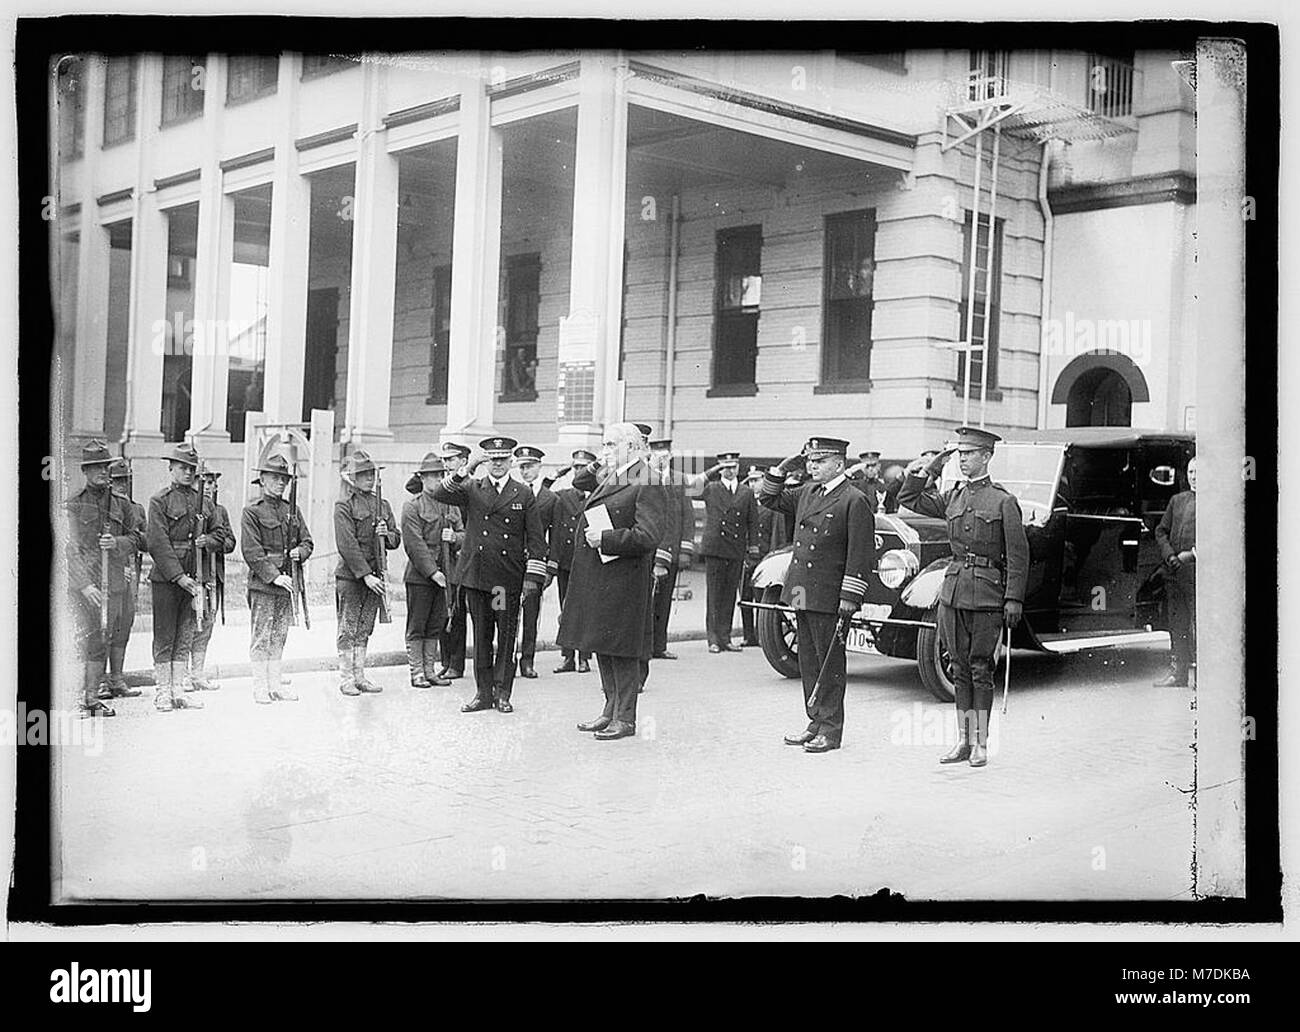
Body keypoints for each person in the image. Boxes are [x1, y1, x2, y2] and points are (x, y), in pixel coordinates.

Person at [897, 427, 1029, 767]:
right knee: (959, 668)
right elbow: (909, 499)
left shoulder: (1003, 501)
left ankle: (981, 743)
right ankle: (962, 742)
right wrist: (929, 468)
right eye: (960, 454)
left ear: (986, 456)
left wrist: (1013, 599)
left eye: (968, 454)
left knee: (980, 667)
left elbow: (1018, 555)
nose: (963, 460)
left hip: (986, 594)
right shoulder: (952, 497)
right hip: (953, 590)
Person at [757, 437, 876, 753]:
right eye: (809, 461)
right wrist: (783, 467)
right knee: (808, 658)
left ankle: (831, 729)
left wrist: (850, 596)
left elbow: (860, 552)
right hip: (800, 587)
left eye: (819, 461)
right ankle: (814, 722)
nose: (812, 466)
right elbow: (767, 498)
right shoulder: (807, 492)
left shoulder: (854, 499)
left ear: (839, 464)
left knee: (829, 661)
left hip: (829, 591)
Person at [559, 422, 667, 740]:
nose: (604, 452)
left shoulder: (648, 480)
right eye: (605, 445)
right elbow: (581, 480)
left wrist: (606, 539)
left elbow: (648, 535)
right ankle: (610, 709)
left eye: (610, 445)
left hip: (624, 581)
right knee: (603, 645)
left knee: (623, 650)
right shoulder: (614, 475)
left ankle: (626, 717)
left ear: (632, 448)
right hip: (602, 579)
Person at [432, 436, 547, 713]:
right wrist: (467, 467)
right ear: (486, 461)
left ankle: (503, 692)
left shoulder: (522, 493)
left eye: (502, 459)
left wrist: (532, 579)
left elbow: (535, 539)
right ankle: (483, 693)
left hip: (503, 583)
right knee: (481, 636)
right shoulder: (472, 487)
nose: (497, 464)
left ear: (510, 462)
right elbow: (441, 493)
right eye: (492, 459)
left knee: (505, 636)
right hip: (477, 578)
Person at [66, 440, 142, 717]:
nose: (102, 472)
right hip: (83, 585)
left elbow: (137, 538)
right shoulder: (74, 504)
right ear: (86, 471)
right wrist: (84, 585)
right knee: (80, 638)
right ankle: (74, 697)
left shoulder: (122, 504)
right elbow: (69, 549)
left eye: (105, 466)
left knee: (102, 637)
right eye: (96, 467)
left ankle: (91, 699)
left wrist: (118, 543)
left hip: (114, 583)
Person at [146, 442, 214, 712]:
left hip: (195, 577)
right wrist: (178, 577)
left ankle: (178, 690)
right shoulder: (159, 501)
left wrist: (208, 540)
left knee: (184, 635)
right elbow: (157, 542)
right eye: (182, 467)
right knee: (165, 635)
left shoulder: (204, 502)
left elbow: (220, 534)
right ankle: (163, 691)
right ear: (171, 468)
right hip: (167, 579)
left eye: (191, 469)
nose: (187, 473)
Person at [241, 452, 314, 704]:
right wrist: (274, 577)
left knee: (279, 635)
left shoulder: (291, 511)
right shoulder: (252, 512)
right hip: (264, 584)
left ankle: (276, 684)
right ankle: (260, 686)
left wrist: (299, 552)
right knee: (262, 636)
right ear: (261, 479)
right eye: (274, 478)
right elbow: (251, 551)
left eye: (284, 479)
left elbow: (307, 541)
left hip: (289, 582)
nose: (281, 483)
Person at [334, 449, 401, 696]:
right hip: (352, 578)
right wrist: (365, 575)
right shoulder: (344, 505)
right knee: (348, 628)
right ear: (352, 478)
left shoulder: (382, 504)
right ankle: (346, 678)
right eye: (363, 475)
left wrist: (387, 534)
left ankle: (360, 675)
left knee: (365, 628)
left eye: (371, 474)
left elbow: (396, 539)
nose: (369, 479)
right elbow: (347, 544)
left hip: (376, 576)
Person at [401, 452, 461, 689]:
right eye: (431, 476)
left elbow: (465, 534)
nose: (436, 480)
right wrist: (432, 572)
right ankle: (417, 671)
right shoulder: (412, 506)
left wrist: (455, 537)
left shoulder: (450, 504)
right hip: (421, 576)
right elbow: (414, 544)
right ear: (422, 479)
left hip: (446, 572)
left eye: (439, 475)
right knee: (418, 624)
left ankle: (430, 669)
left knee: (436, 624)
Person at [688, 451, 759, 653]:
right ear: (720, 468)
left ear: (738, 467)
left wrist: (752, 548)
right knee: (714, 595)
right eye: (725, 467)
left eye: (733, 467)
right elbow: (691, 489)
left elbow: (752, 521)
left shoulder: (746, 492)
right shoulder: (711, 488)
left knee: (729, 595)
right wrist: (711, 472)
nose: (729, 471)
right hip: (715, 548)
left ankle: (725, 637)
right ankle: (713, 638)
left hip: (735, 549)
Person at [186, 462, 236, 692]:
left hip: (213, 577)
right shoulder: (189, 508)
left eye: (212, 482)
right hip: (191, 576)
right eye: (203, 482)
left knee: (206, 625)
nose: (208, 486)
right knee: (189, 624)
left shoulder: (220, 511)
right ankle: (184, 675)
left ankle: (197, 673)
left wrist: (212, 542)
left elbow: (230, 542)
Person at [647, 439, 696, 661]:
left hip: (673, 549)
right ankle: (644, 646)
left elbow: (688, 515)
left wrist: (685, 549)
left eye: (665, 454)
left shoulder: (679, 478)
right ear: (650, 455)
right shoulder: (642, 476)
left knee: (664, 601)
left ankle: (659, 646)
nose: (661, 458)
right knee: (646, 601)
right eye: (657, 454)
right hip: (649, 549)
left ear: (670, 455)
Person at [548, 449, 596, 674]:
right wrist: (556, 474)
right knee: (565, 609)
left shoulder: (598, 494)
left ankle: (584, 657)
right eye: (575, 467)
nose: (578, 472)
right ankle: (567, 656)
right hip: (566, 561)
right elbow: (541, 497)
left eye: (583, 467)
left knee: (585, 609)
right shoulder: (562, 495)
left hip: (588, 561)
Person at [513, 445, 556, 679]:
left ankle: (527, 660)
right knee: (503, 610)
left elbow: (555, 536)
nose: (525, 471)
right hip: (509, 563)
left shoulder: (550, 499)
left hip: (535, 564)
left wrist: (551, 567)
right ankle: (506, 655)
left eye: (529, 466)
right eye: (522, 467)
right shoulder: (514, 491)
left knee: (531, 613)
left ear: (540, 466)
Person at [105, 458, 146, 701]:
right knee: (105, 626)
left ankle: (117, 679)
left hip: (131, 572)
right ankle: (99, 681)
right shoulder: (104, 507)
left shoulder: (136, 509)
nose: (122, 485)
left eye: (126, 481)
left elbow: (146, 540)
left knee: (124, 624)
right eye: (118, 481)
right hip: (108, 574)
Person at [1154, 456, 1197, 687]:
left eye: (1199, 472)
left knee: (1199, 624)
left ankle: (1203, 678)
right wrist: (1170, 555)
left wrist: (1190, 554)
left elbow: (1217, 536)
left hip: (1198, 575)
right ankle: (1178, 674)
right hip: (1174, 572)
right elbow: (1161, 531)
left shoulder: (1215, 503)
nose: (1194, 476)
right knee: (1177, 623)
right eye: (1191, 472)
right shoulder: (1177, 500)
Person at [434, 441, 472, 680]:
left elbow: (476, 530)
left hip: (466, 561)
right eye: (445, 460)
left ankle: (457, 664)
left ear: (464, 462)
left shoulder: (471, 487)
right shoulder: (445, 487)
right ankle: (446, 661)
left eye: (452, 459)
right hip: (444, 560)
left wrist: (457, 539)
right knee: (444, 610)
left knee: (458, 612)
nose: (447, 464)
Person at [739, 465, 779, 647]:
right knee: (745, 597)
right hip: (747, 557)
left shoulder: (772, 506)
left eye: (757, 480)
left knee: (762, 598)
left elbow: (776, 534)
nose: (753, 485)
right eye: (751, 481)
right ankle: (749, 636)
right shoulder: (746, 502)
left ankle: (762, 633)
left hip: (764, 557)